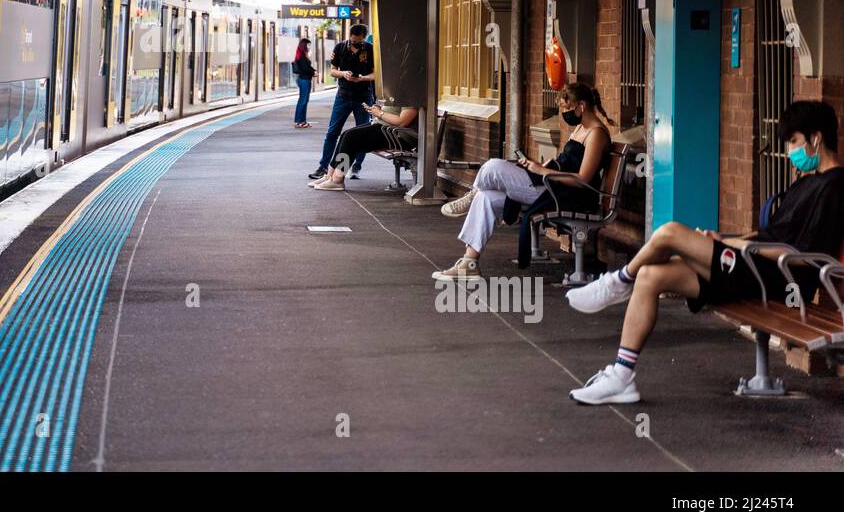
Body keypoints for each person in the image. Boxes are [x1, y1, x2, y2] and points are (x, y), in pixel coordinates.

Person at [564, 99, 844, 405]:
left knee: (669, 232)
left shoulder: (834, 187)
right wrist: (726, 238)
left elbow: (803, 252)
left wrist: (740, 246)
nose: (791, 151)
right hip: (752, 267)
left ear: (816, 138)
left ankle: (617, 281)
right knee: (651, 275)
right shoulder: (808, 181)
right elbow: (772, 232)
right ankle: (621, 378)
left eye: (794, 142)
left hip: (780, 278)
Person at [432, 82, 613, 281]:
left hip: (560, 194)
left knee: (493, 165)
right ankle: (469, 263)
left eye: (567, 108)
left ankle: (471, 194)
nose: (564, 113)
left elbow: (583, 179)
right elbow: (566, 165)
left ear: (582, 106)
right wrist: (536, 165)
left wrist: (541, 170)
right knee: (486, 197)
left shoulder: (596, 134)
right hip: (548, 184)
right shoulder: (580, 127)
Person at [309, 24, 376, 181]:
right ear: (349, 37)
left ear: (364, 39)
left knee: (362, 134)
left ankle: (356, 166)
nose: (355, 44)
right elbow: (332, 70)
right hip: (343, 95)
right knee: (333, 132)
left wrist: (363, 78)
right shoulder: (340, 47)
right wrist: (343, 73)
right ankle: (323, 166)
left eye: (359, 42)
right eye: (353, 41)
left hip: (363, 97)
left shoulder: (371, 49)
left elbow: (376, 74)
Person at [311, 102, 419, 191]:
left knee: (351, 138)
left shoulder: (411, 95)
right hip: (386, 129)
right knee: (346, 134)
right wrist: (377, 109)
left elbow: (402, 122)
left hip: (397, 136)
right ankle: (330, 175)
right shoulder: (401, 91)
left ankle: (337, 179)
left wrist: (379, 113)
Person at [292, 38, 316, 128]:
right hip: (304, 80)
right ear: (304, 46)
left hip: (304, 79)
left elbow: (306, 67)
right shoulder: (302, 56)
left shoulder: (301, 55)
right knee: (303, 101)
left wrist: (313, 71)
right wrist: (313, 72)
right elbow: (305, 68)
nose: (309, 47)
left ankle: (301, 121)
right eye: (308, 45)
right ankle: (300, 121)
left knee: (303, 100)